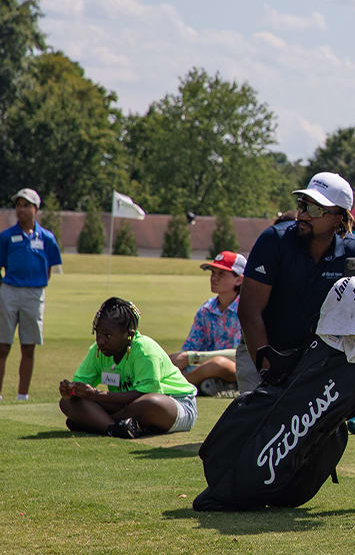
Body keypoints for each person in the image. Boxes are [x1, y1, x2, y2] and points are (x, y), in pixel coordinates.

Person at [238, 172, 355, 393]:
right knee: (257, 424)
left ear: (338, 218)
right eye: (303, 205)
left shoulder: (353, 251)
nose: (303, 215)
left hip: (318, 362)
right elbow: (249, 311)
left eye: (316, 209)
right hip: (260, 349)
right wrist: (268, 369)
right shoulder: (274, 240)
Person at [60, 298, 198, 438]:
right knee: (67, 403)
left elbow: (146, 395)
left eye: (107, 336)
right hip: (124, 405)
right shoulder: (98, 351)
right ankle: (114, 428)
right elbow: (80, 388)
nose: (101, 341)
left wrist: (96, 395)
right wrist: (71, 390)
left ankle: (98, 423)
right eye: (98, 333)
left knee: (150, 402)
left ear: (129, 335)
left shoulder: (145, 351)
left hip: (172, 403)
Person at [1, 187, 62, 401]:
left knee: (28, 347)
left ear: (36, 208)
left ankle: (22, 396)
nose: (21, 209)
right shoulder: (7, 237)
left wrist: (37, 285)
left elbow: (49, 269)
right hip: (8, 292)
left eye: (26, 205)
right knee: (2, 346)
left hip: (35, 294)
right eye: (18, 205)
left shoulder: (47, 238)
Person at [172, 251, 246, 395]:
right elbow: (190, 348)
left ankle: (177, 388)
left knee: (217, 364)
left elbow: (239, 354)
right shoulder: (206, 309)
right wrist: (183, 358)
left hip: (241, 367)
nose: (214, 278)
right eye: (213, 273)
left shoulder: (246, 309)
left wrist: (193, 357)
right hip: (205, 366)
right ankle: (212, 384)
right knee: (172, 359)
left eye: (221, 274)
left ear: (239, 280)